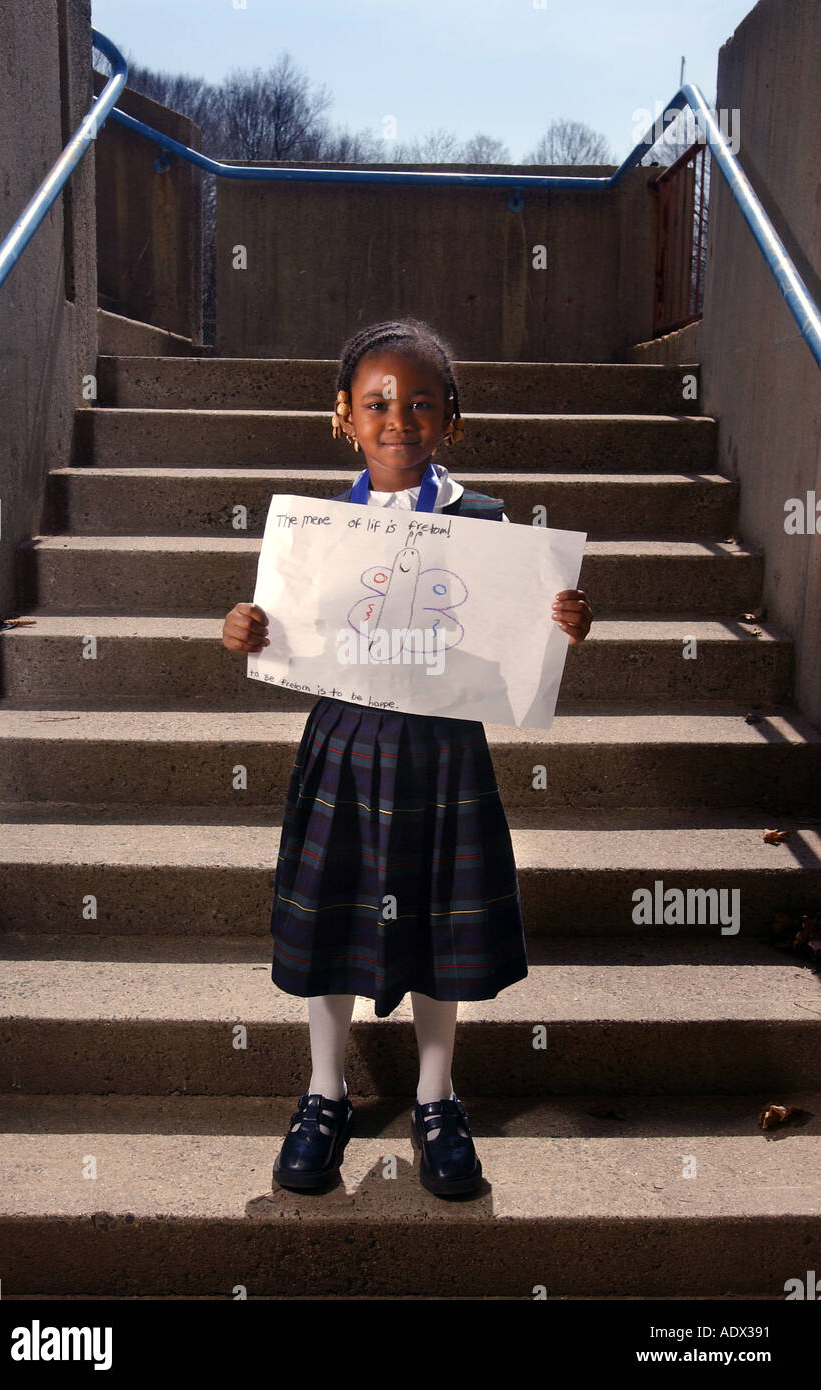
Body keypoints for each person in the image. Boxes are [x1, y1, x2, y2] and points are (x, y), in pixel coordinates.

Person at [221, 318, 592, 1198]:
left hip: (442, 755)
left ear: (452, 420)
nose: (400, 419)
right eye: (379, 402)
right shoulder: (317, 531)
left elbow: (515, 647)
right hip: (345, 746)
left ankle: (436, 1097)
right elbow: (282, 633)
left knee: (438, 923)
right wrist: (246, 630)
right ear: (343, 415)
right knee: (331, 919)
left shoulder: (490, 526)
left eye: (422, 403)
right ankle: (325, 1092)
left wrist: (564, 626)